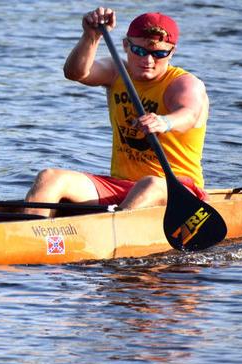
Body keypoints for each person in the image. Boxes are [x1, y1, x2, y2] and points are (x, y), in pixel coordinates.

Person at [23, 8, 209, 217]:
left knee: (149, 185)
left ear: (172, 52)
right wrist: (91, 36)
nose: (148, 60)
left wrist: (164, 122)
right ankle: (26, 235)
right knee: (50, 177)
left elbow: (190, 114)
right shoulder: (117, 72)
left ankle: (111, 232)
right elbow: (75, 73)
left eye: (158, 54)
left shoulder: (184, 83)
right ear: (125, 45)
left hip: (177, 188)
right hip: (121, 185)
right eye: (139, 51)